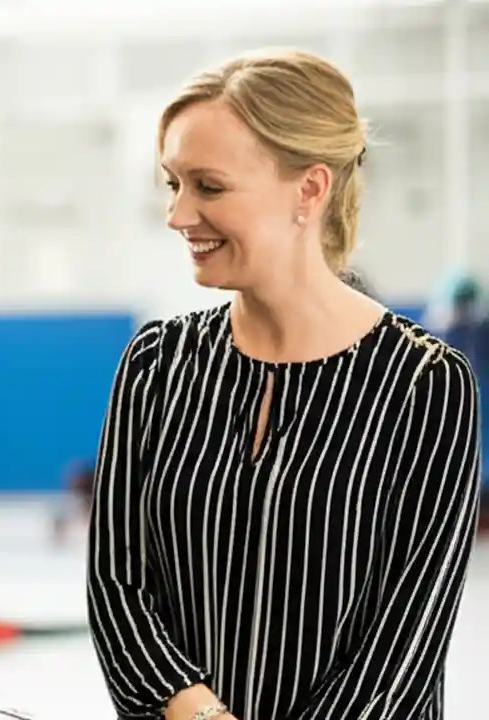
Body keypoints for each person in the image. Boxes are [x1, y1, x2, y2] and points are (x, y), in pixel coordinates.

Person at [86, 49, 481, 720]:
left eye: (208, 187)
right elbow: (117, 585)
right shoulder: (156, 364)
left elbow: (405, 644)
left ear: (310, 189)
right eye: (172, 184)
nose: (178, 215)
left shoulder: (425, 385)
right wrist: (195, 710)